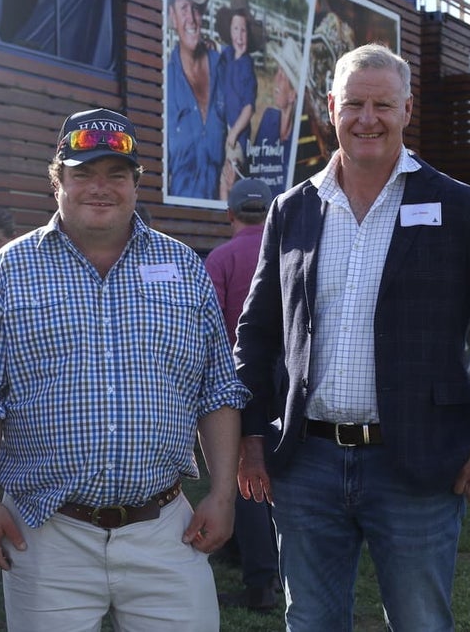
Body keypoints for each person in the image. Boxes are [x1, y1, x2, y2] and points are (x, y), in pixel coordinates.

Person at [235, 44, 470, 631]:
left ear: (407, 109)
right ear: (330, 107)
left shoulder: (461, 208)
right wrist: (252, 436)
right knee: (309, 622)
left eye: (383, 104)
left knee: (420, 623)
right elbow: (256, 336)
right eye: (354, 103)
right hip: (306, 464)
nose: (367, 118)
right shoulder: (294, 210)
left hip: (419, 466)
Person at [0, 107, 250, 631]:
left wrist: (223, 494)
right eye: (83, 173)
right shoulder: (8, 274)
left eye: (116, 174)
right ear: (57, 182)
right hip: (47, 533)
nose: (100, 187)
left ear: (136, 185)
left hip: (165, 531)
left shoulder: (184, 269)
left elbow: (217, 390)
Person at [203, 177, 279, 613]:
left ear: (229, 214)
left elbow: (210, 330)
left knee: (245, 479)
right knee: (284, 472)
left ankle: (260, 584)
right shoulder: (290, 251)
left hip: (239, 384)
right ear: (271, 213)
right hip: (292, 383)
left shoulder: (221, 258)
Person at [166, 0, 226, 201]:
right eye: (183, 8)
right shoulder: (166, 79)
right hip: (177, 214)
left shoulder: (220, 65)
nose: (191, 17)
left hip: (222, 213)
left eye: (196, 8)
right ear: (173, 16)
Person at [214, 0, 261, 198]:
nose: (239, 35)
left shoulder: (246, 64)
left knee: (228, 179)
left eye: (243, 30)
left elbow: (249, 107)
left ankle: (226, 221)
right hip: (222, 128)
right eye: (235, 29)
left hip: (236, 134)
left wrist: (233, 134)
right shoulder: (226, 55)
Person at [250, 37, 301, 196]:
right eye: (277, 71)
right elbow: (253, 169)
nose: (275, 80)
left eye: (283, 75)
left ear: (292, 95)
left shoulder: (298, 139)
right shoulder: (268, 118)